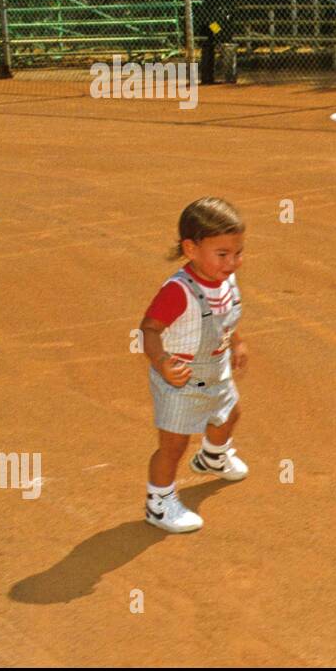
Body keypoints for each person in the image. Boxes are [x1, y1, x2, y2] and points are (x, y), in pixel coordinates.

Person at [139, 198, 250, 533]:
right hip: (180, 382)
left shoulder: (225, 280)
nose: (232, 262)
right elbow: (149, 329)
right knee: (172, 447)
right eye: (223, 254)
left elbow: (224, 317)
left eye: (238, 252)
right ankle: (159, 503)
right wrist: (161, 362)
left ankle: (212, 457)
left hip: (216, 372)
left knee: (229, 415)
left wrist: (237, 341)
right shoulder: (178, 292)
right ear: (191, 248)